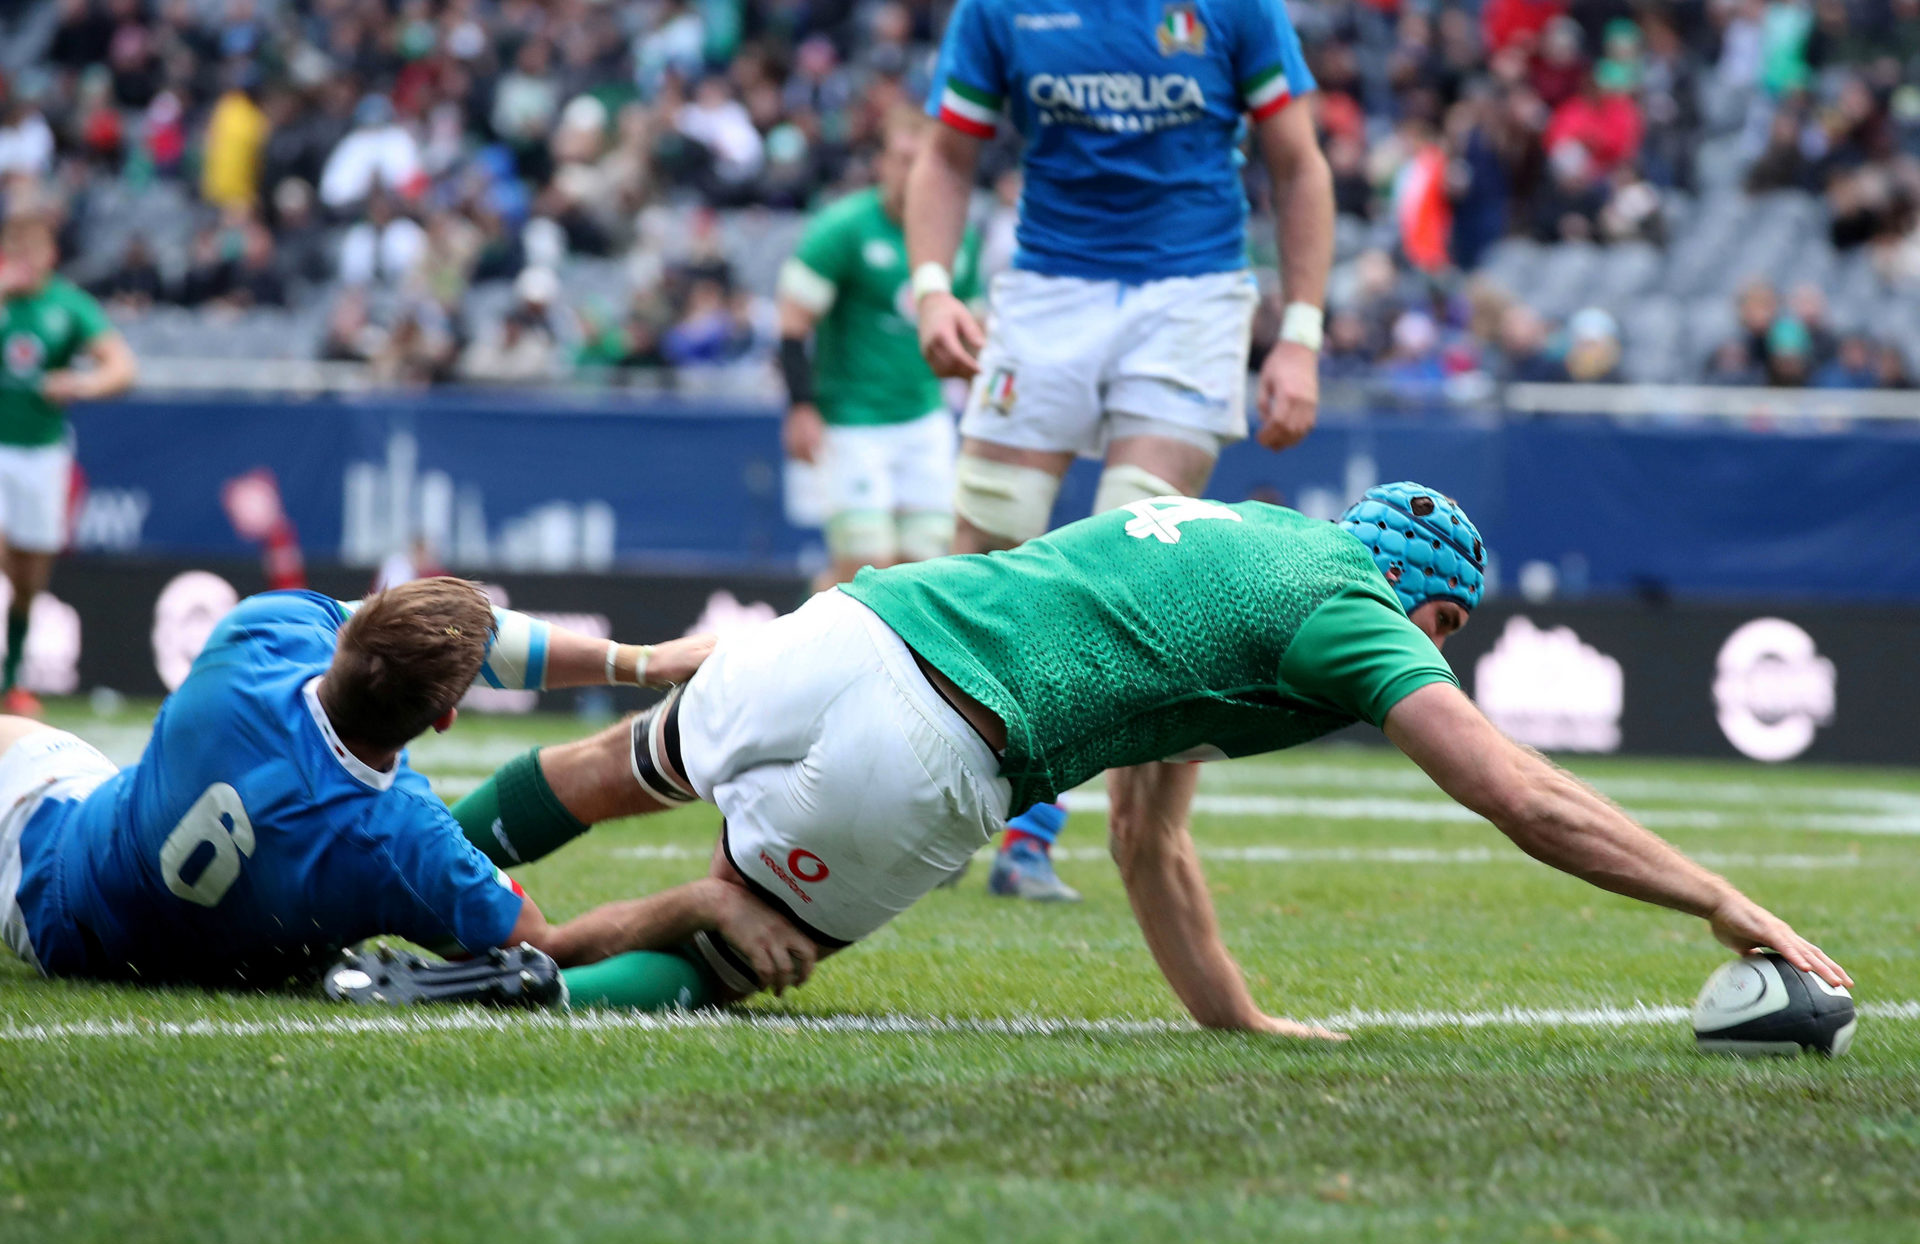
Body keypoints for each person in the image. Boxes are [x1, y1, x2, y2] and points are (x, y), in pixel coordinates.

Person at [445, 485, 1848, 1032]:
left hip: (851, 622)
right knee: (734, 947)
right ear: (1424, 598)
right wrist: (1715, 895)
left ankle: (412, 884)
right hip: (938, 743)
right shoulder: (1348, 617)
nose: (1443, 653)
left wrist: (1234, 1016)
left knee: (616, 764)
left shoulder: (1227, 534)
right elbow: (1516, 790)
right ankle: (501, 984)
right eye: (1449, 628)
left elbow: (1146, 839)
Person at [904, 0, 1336, 901]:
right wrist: (934, 288)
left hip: (1192, 295)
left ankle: (1034, 832)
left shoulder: (1235, 9)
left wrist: (1297, 334)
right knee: (984, 550)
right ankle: (926, 802)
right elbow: (947, 154)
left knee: (1134, 569)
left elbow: (1298, 164)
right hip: (1045, 292)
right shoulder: (999, 10)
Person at [0, 577, 788, 994]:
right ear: (443, 718)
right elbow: (547, 947)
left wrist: (641, 661)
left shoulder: (258, 633)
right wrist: (702, 899)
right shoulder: (406, 843)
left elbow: (459, 637)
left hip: (58, 843)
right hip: (71, 923)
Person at [776, 105, 982, 586]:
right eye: (900, 158)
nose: (909, 172)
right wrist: (801, 407)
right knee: (866, 569)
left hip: (925, 419)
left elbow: (975, 331)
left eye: (921, 160)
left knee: (924, 571)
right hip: (854, 422)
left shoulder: (959, 239)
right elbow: (791, 324)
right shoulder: (843, 229)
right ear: (882, 163)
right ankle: (805, 647)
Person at [0, 211, 136, 716]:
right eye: (15, 247)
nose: (24, 259)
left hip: (41, 451)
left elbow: (122, 368)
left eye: (33, 248)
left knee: (29, 576)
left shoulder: (68, 306)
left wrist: (78, 384)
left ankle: (10, 680)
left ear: (50, 254)